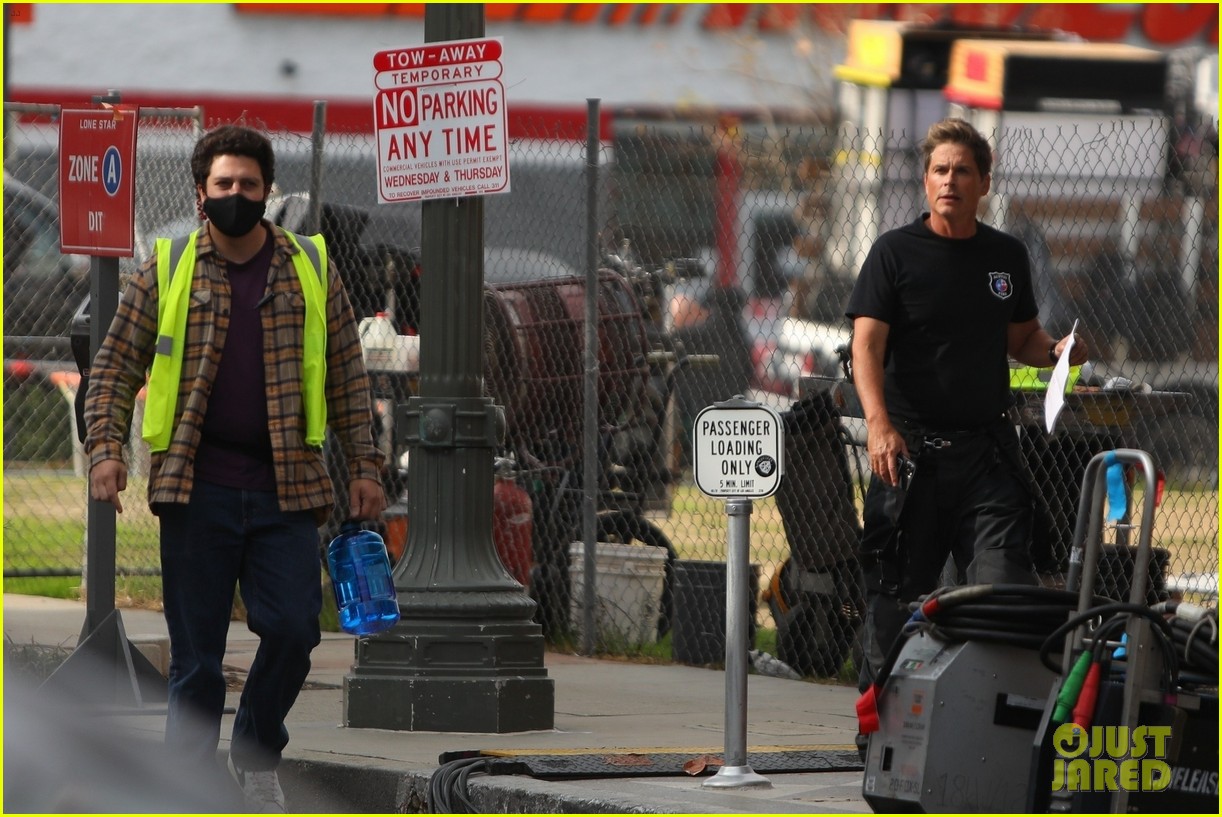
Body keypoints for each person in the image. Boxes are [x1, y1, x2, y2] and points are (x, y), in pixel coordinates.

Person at [84, 124, 386, 812]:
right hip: (196, 489)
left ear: (267, 191)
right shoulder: (167, 266)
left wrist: (364, 463)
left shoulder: (309, 266)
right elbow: (111, 370)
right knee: (196, 661)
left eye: (249, 185)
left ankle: (254, 754)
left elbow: (347, 374)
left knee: (293, 628)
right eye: (224, 185)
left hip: (288, 490)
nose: (237, 196)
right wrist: (106, 451)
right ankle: (184, 788)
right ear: (201, 193)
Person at [845, 118, 1088, 695]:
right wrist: (878, 424)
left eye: (962, 171)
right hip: (908, 458)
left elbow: (1021, 339)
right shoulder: (893, 253)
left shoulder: (1005, 256)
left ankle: (989, 717)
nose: (949, 180)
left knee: (1004, 590)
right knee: (896, 599)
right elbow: (866, 345)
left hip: (987, 457)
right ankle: (879, 731)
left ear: (984, 182)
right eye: (939, 170)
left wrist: (1056, 351)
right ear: (925, 182)